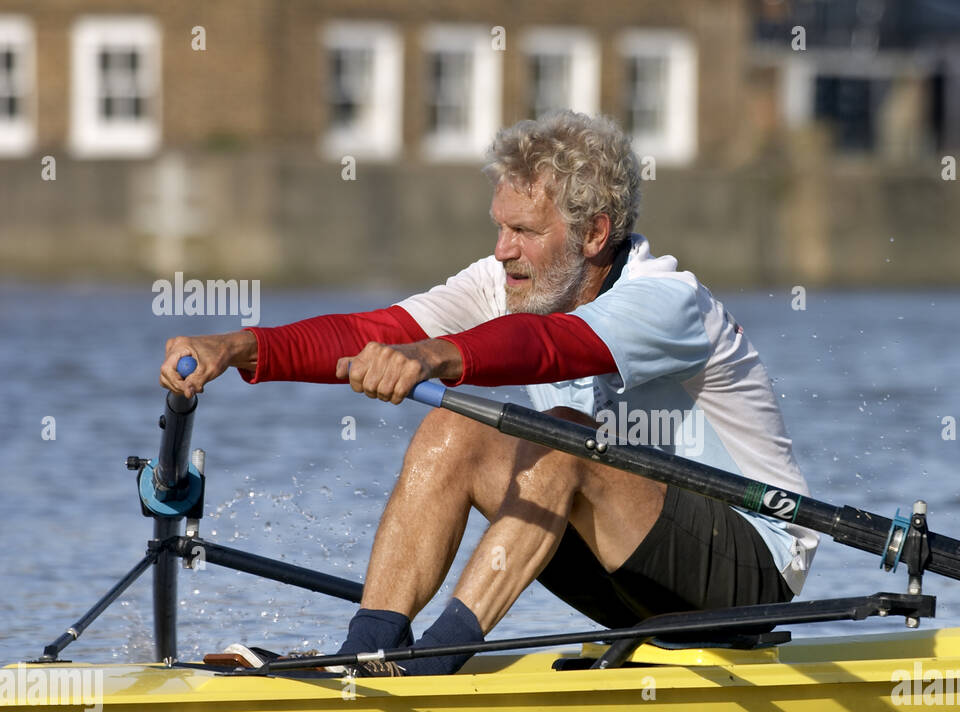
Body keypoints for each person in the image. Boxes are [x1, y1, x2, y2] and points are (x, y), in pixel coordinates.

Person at [159, 111, 816, 675]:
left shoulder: (666, 300)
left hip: (747, 573)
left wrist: (437, 356)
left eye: (525, 231)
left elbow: (550, 347)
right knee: (457, 430)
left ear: (594, 234)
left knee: (562, 434)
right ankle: (368, 653)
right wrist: (241, 347)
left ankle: (436, 668)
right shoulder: (505, 278)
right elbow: (377, 331)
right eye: (500, 227)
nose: (503, 251)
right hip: (625, 564)